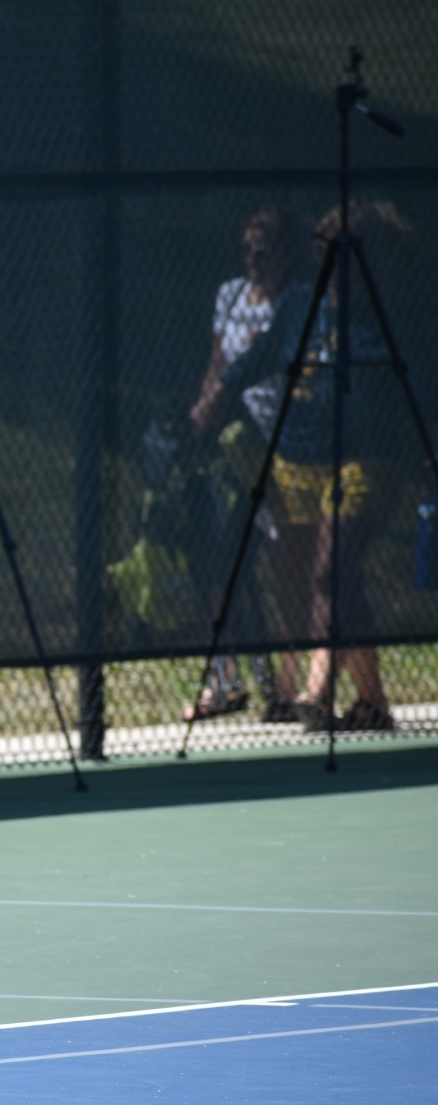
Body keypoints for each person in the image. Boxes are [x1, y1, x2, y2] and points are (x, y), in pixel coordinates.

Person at [192, 200, 407, 732]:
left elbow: (418, 385)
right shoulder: (300, 309)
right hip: (294, 463)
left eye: (344, 254)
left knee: (329, 571)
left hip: (362, 462)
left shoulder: (387, 314)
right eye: (324, 252)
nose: (332, 263)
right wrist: (204, 413)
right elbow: (245, 368)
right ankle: (374, 703)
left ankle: (317, 692)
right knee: (330, 584)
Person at [181, 205, 309, 723]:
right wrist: (197, 422)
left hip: (291, 449)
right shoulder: (229, 294)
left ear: (286, 254)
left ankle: (285, 688)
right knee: (218, 561)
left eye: (264, 251)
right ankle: (227, 682)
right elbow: (218, 366)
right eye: (246, 249)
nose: (253, 260)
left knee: (288, 572)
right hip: (236, 453)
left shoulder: (297, 304)